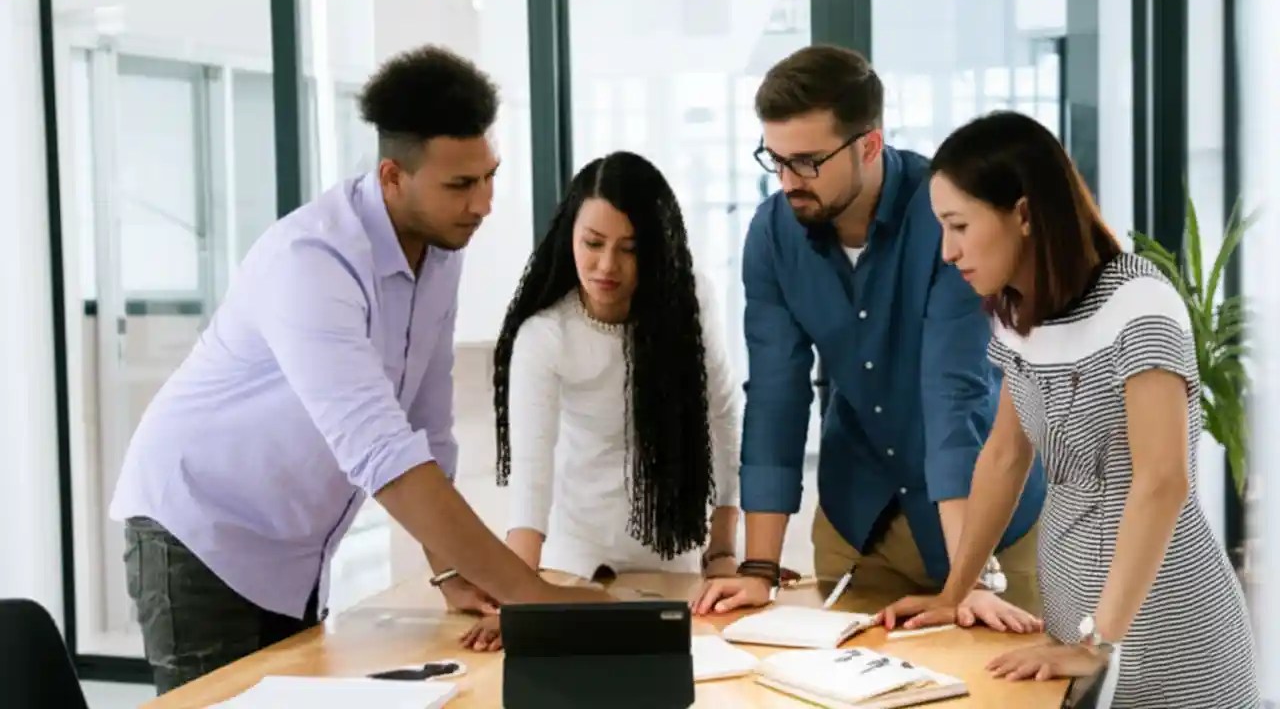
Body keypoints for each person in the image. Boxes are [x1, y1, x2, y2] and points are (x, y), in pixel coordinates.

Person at [108, 45, 608, 694]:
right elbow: (378, 449)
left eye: (489, 176)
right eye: (460, 184)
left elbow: (425, 425)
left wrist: (450, 570)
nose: (483, 203)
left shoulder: (440, 254)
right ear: (393, 176)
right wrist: (529, 595)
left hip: (292, 552)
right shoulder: (311, 261)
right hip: (198, 531)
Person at [879, 110, 1260, 707]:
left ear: (1024, 214)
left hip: (1166, 640)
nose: (947, 252)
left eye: (958, 226)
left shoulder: (1140, 306)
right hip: (1070, 626)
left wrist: (1100, 640)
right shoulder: (1020, 315)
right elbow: (1005, 457)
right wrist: (956, 591)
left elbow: (1161, 482)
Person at [692, 45, 1045, 629]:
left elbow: (951, 397)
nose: (786, 181)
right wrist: (758, 567)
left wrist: (969, 581)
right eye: (773, 159)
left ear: (869, 145)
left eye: (805, 161)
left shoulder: (946, 217)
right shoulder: (773, 235)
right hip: (861, 522)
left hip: (985, 528)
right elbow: (777, 396)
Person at [458, 151, 741, 652]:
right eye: (592, 243)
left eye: (629, 249)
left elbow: (722, 415)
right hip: (573, 554)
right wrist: (515, 598)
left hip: (670, 547)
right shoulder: (546, 334)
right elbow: (531, 475)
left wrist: (723, 550)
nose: (606, 266)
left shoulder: (689, 301)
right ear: (570, 234)